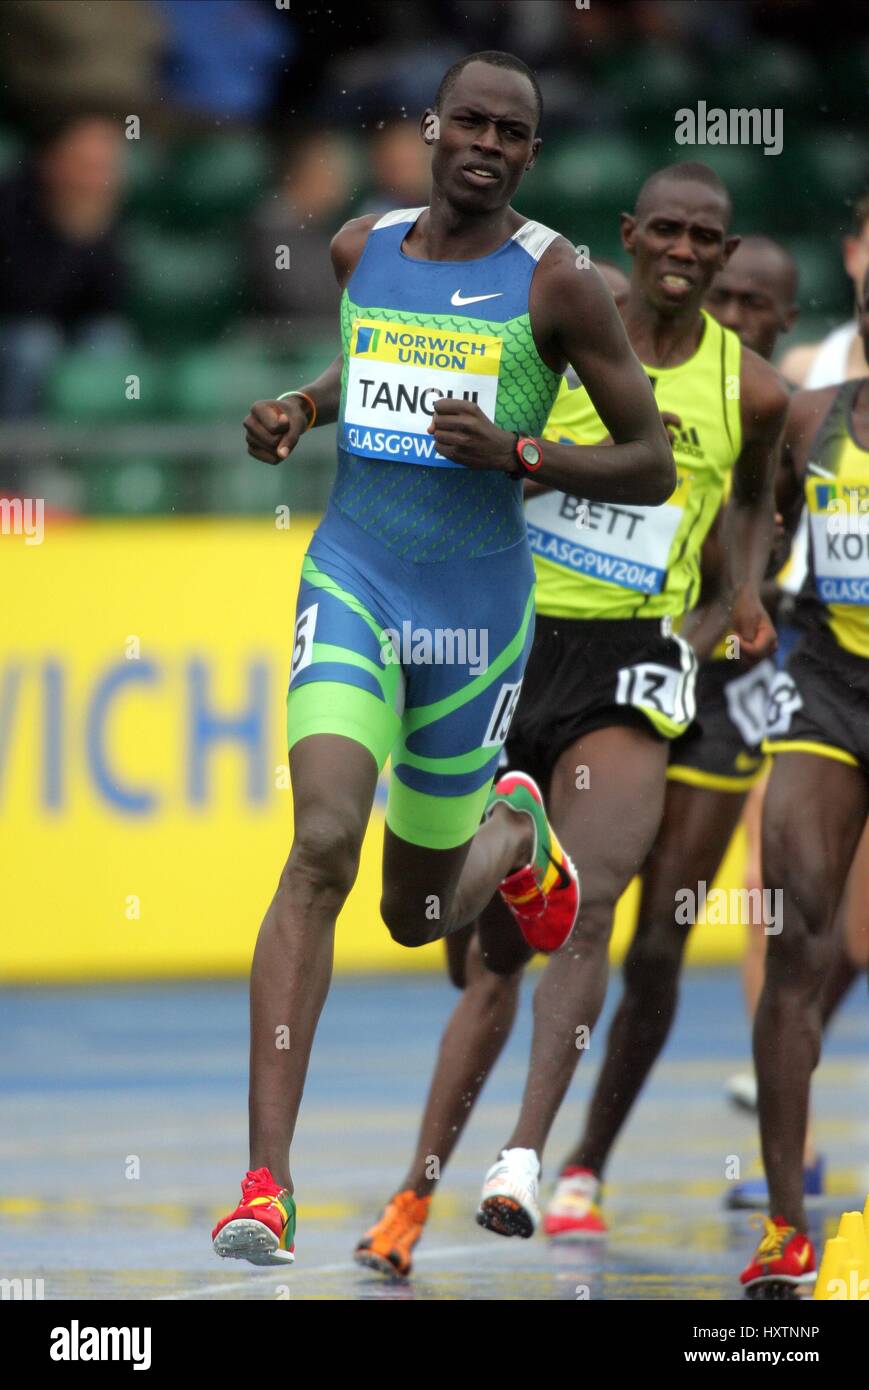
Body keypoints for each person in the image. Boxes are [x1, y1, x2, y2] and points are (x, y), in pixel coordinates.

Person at [210, 50, 673, 1267]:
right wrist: (302, 410)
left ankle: (512, 832)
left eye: (508, 132)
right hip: (355, 572)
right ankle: (267, 1183)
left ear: (529, 153)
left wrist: (520, 454)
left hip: (473, 615)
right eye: (464, 120)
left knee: (417, 915)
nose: (483, 142)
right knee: (319, 841)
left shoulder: (561, 284)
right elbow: (370, 367)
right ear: (429, 129)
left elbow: (648, 462)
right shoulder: (364, 246)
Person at [353, 165, 786, 1273]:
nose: (686, 251)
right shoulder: (555, 325)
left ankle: (521, 1160)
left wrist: (728, 598)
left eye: (709, 237)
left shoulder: (752, 393)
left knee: (587, 913)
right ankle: (411, 1196)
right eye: (668, 232)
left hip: (631, 660)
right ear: (630, 238)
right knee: (481, 960)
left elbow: (747, 499)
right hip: (509, 635)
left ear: (723, 253)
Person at [542, 236, 800, 1239]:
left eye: (751, 304)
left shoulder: (774, 407)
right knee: (559, 912)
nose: (730, 314)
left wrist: (692, 644)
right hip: (610, 668)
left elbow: (760, 568)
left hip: (716, 697)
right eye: (720, 297)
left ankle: (583, 1166)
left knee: (655, 944)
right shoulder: (636, 379)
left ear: (781, 321)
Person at [740, 270, 869, 1296]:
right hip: (825, 681)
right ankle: (786, 1222)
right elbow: (760, 512)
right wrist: (746, 593)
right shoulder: (815, 415)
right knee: (795, 933)